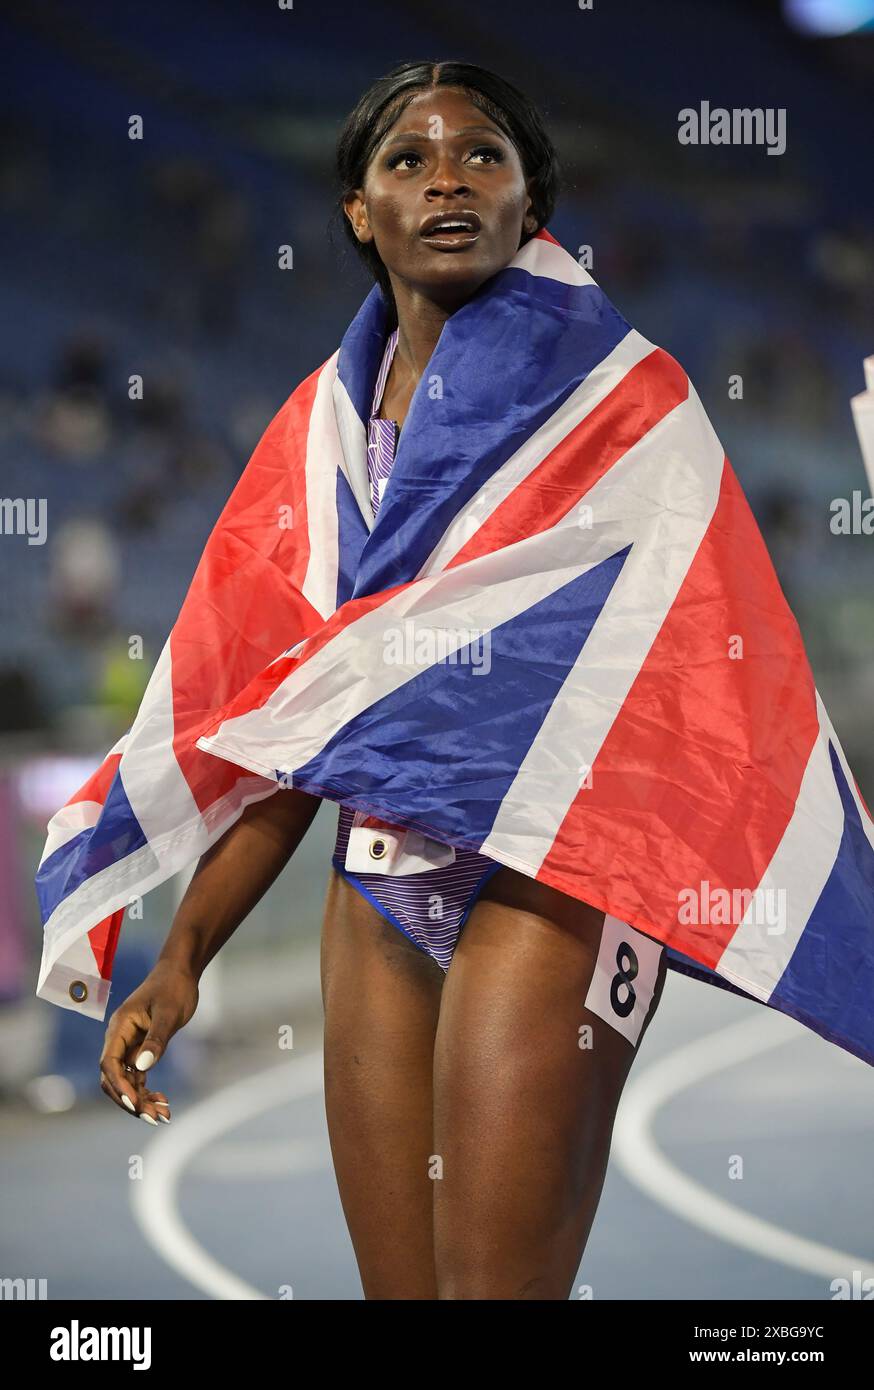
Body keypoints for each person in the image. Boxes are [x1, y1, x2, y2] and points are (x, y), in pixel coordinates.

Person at [98, 61, 668, 1301]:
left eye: (482, 157)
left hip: (559, 875)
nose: (447, 177)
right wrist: (185, 948)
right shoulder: (320, 439)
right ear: (361, 211)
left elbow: (710, 664)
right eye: (406, 160)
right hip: (386, 881)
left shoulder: (623, 405)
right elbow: (300, 721)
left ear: (531, 202)